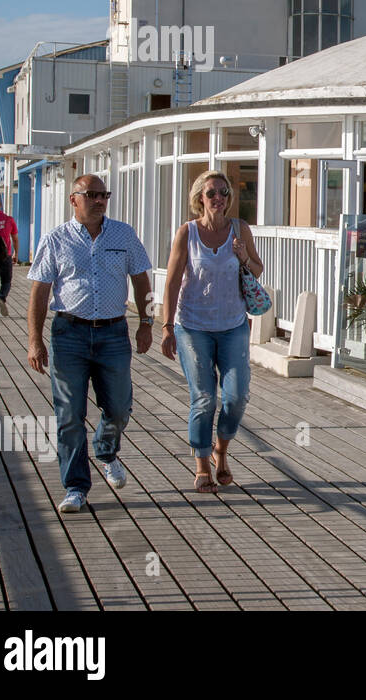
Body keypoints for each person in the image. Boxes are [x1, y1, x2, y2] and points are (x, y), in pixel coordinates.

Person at [26, 175, 154, 514]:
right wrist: (34, 341)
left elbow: (142, 279)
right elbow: (40, 291)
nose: (99, 200)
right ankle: (75, 486)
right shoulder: (55, 239)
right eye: (92, 195)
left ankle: (106, 449)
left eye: (104, 195)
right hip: (69, 334)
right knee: (69, 415)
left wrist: (147, 322)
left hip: (113, 334)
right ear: (74, 199)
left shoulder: (123, 234)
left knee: (118, 407)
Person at [160, 170, 263, 494]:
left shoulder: (239, 229)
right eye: (212, 193)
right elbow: (173, 281)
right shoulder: (186, 233)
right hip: (193, 327)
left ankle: (222, 450)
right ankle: (203, 464)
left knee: (235, 397)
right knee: (204, 398)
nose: (219, 198)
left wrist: (244, 256)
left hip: (233, 325)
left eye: (224, 193)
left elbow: (258, 269)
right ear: (199, 199)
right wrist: (165, 327)